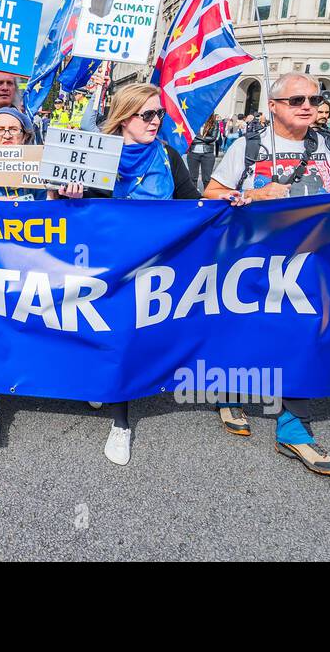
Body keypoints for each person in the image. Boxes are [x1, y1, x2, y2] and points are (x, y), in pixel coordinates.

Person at [204, 72, 330, 476]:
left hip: (313, 259)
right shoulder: (248, 146)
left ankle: (294, 428)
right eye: (297, 99)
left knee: (308, 332)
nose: (307, 106)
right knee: (246, 327)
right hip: (252, 259)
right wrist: (254, 195)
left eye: (314, 99)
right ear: (274, 106)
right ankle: (229, 393)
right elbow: (211, 194)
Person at [92, 83, 248, 465]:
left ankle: (120, 418)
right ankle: (111, 401)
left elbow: (189, 201)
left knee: (131, 336)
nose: (156, 121)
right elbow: (78, 211)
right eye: (147, 115)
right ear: (124, 117)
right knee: (111, 334)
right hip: (107, 263)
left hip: (154, 266)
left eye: (158, 114)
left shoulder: (167, 155)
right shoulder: (96, 154)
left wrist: (222, 201)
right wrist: (71, 194)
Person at [0, 105, 82, 443]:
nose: (7, 135)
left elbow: (61, 220)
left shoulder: (43, 173)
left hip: (34, 268)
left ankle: (81, 380)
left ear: (26, 137)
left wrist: (61, 195)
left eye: (14, 130)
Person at [187, 113, 222, 191]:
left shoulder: (214, 123)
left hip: (207, 154)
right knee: (192, 178)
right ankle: (193, 197)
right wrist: (203, 139)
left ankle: (207, 195)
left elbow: (213, 138)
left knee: (206, 179)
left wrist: (197, 138)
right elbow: (189, 136)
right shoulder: (193, 121)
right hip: (193, 153)